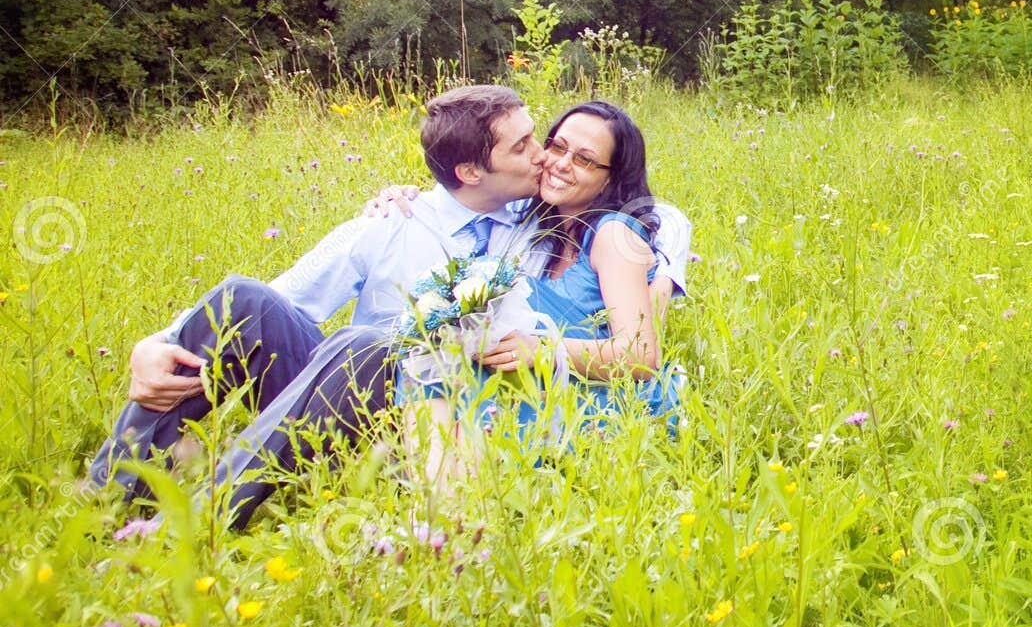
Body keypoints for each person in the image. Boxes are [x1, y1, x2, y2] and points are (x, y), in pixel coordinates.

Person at [85, 86, 684, 526]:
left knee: (369, 342)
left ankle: (201, 520)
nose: (547, 160)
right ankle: (106, 491)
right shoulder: (393, 221)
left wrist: (662, 270)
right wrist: (155, 343)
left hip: (419, 423)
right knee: (243, 297)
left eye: (557, 149)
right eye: (535, 145)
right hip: (329, 400)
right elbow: (283, 298)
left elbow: (656, 222)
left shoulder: (535, 221)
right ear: (471, 170)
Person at [401, 100, 684, 465]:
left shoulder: (614, 233)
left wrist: (543, 349)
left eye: (584, 159)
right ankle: (437, 493)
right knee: (431, 349)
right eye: (557, 146)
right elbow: (469, 197)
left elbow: (641, 356)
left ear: (610, 177)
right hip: (546, 388)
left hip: (601, 403)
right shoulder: (533, 227)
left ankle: (444, 495)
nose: (561, 164)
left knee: (449, 373)